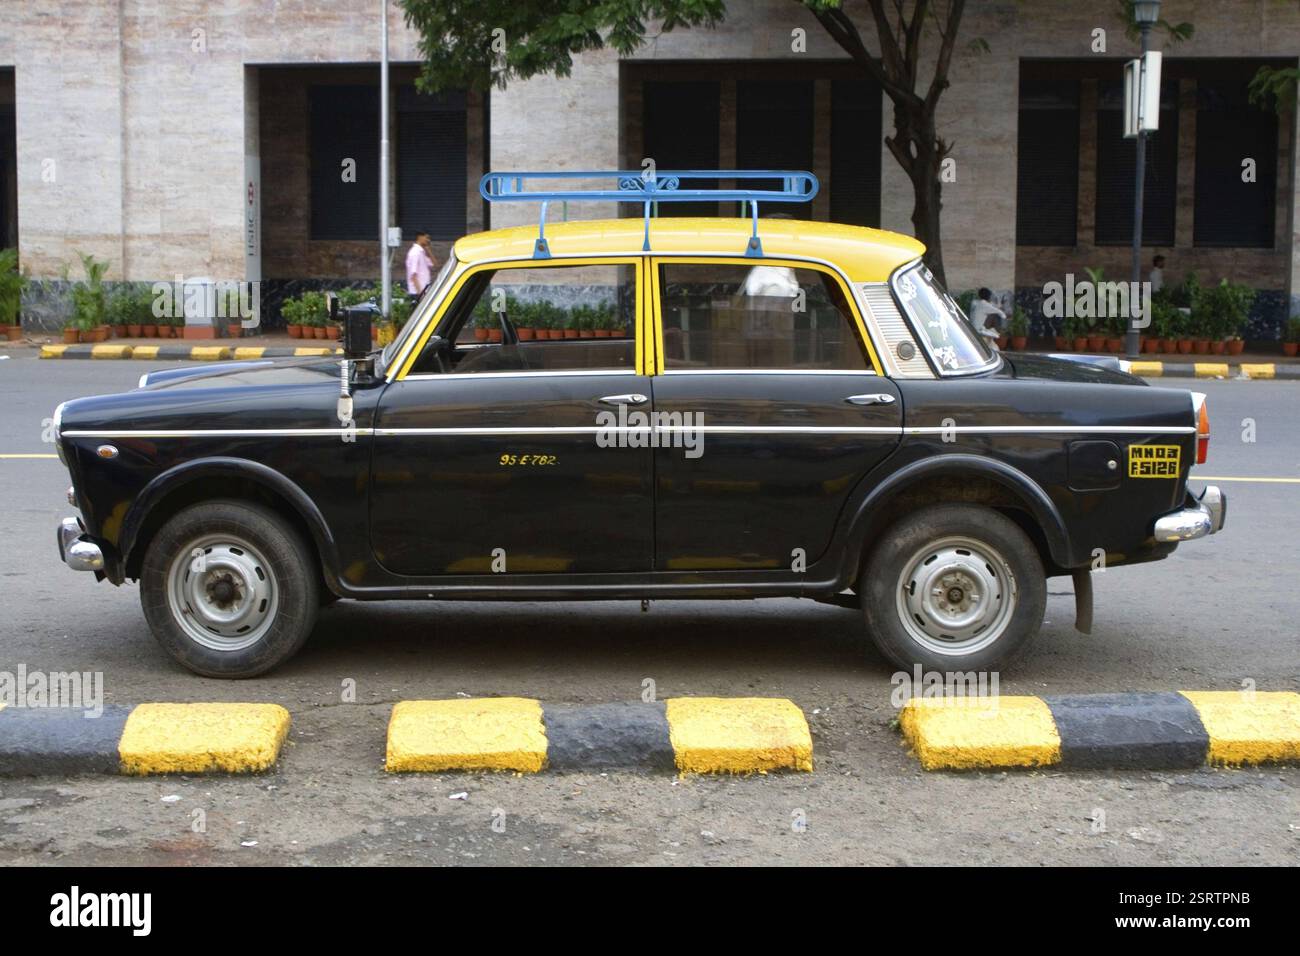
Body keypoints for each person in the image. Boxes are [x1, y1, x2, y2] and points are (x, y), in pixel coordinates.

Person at [405, 230, 436, 304]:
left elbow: (434, 264)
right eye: (427, 238)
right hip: (417, 293)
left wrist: (428, 250)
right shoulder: (415, 253)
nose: (428, 240)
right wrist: (421, 296)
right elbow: (413, 276)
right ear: (419, 237)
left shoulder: (421, 252)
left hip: (423, 292)